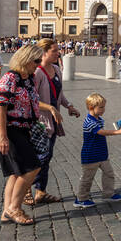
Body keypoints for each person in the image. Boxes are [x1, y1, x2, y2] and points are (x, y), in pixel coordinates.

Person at [0, 43, 55, 225]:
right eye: (35, 60)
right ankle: (14, 207)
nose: (38, 64)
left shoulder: (29, 79)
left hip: (25, 128)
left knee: (16, 172)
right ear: (26, 59)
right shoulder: (9, 78)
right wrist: (3, 136)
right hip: (10, 129)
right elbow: (0, 108)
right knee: (32, 167)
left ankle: (7, 212)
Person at [28, 39, 80, 207]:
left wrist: (69, 106)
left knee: (47, 156)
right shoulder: (37, 73)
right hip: (40, 122)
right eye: (55, 51)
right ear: (44, 53)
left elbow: (60, 94)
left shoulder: (56, 69)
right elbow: (31, 99)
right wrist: (50, 108)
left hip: (53, 120)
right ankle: (25, 188)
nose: (59, 53)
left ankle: (41, 191)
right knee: (41, 156)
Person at [75, 93, 121, 207]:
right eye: (101, 107)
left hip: (102, 154)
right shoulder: (89, 122)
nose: (103, 110)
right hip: (90, 155)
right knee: (87, 178)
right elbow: (101, 132)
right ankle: (81, 199)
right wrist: (117, 132)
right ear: (91, 108)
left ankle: (109, 193)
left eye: (104, 107)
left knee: (109, 174)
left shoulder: (99, 119)